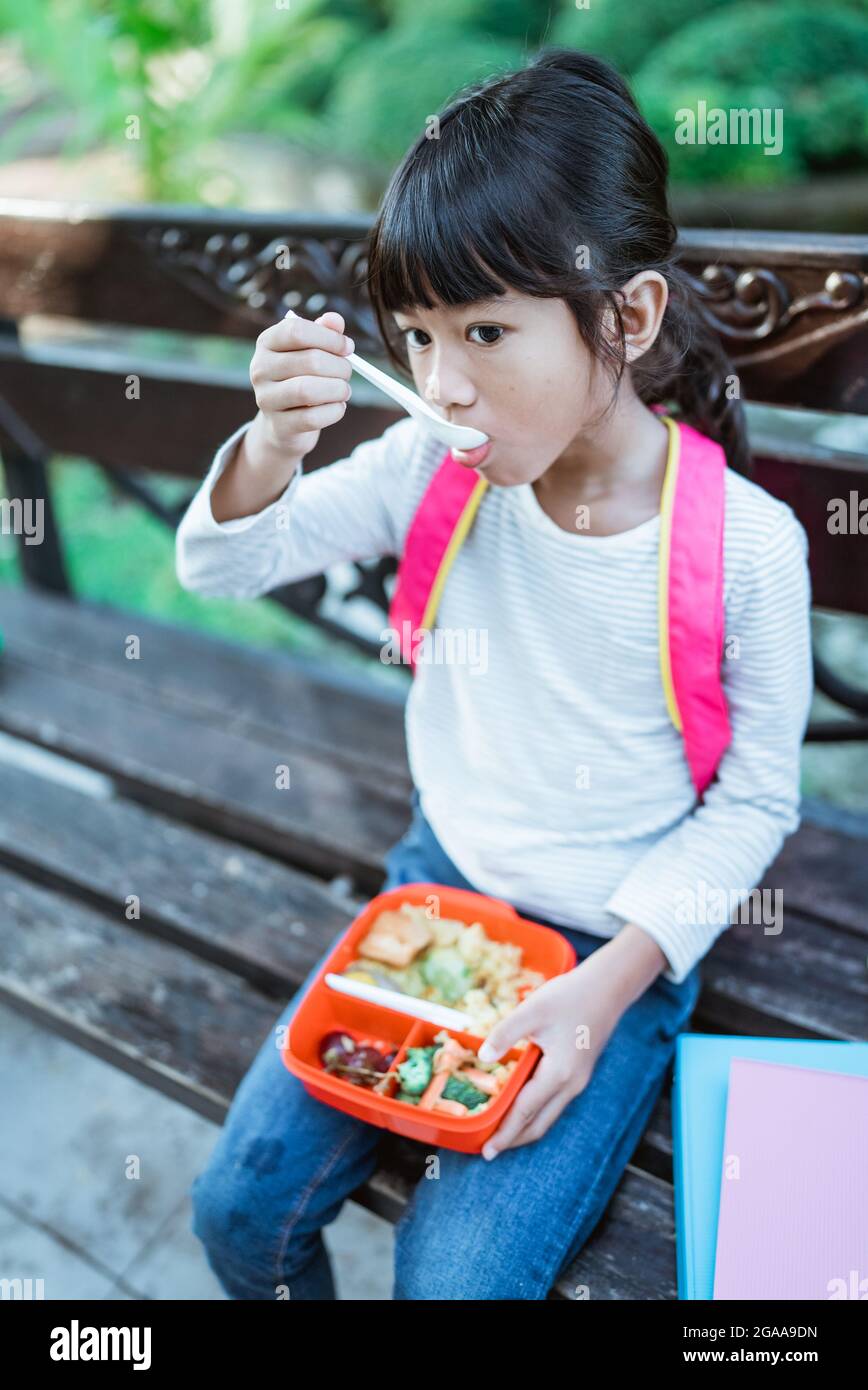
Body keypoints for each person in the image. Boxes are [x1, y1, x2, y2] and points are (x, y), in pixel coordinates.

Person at [175, 47, 813, 1300]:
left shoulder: (747, 549)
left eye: (484, 331)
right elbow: (225, 567)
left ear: (624, 319)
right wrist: (267, 444)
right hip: (436, 894)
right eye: (414, 335)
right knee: (237, 1212)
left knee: (455, 1285)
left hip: (612, 940)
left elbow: (753, 801)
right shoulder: (434, 467)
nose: (440, 383)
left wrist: (604, 987)